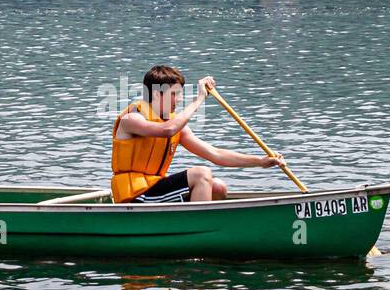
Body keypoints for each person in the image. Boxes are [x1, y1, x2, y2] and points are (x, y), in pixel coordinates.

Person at [111, 65, 282, 203]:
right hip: (135, 196)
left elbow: (216, 154)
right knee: (201, 174)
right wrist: (199, 99)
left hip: (155, 189)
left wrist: (260, 161)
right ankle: (198, 230)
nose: (178, 100)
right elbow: (167, 130)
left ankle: (195, 229)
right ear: (157, 94)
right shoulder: (132, 119)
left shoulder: (175, 126)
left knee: (218, 187)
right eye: (174, 94)